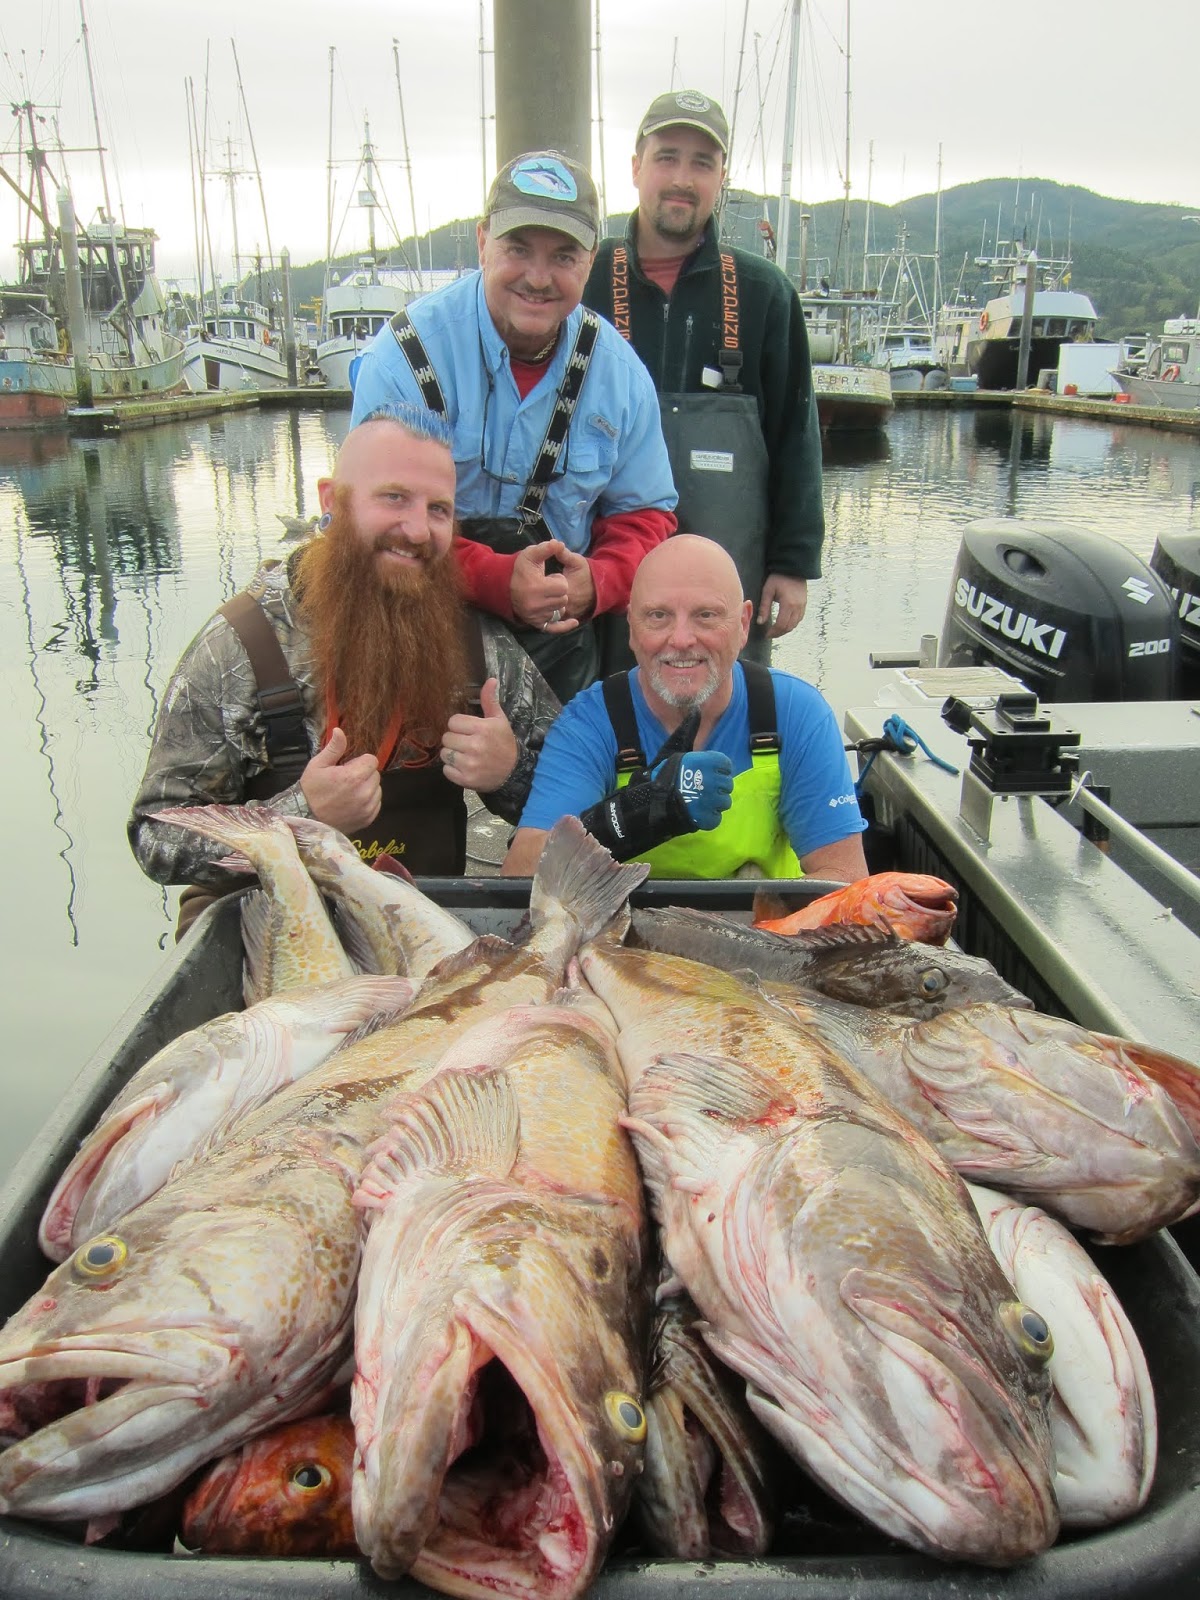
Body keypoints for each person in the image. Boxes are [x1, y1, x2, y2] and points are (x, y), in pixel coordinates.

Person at [129, 404, 559, 923]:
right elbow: (155, 836)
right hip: (272, 940)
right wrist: (299, 817)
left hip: (420, 928)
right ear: (332, 501)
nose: (419, 530)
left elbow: (576, 796)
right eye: (394, 497)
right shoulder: (241, 646)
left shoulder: (479, 645)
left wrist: (509, 775)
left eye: (439, 509)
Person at [349, 149, 678, 702]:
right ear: (482, 242)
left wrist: (596, 583)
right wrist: (496, 582)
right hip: (411, 625)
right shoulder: (403, 359)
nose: (538, 277)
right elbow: (365, 519)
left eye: (564, 256)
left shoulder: (621, 375)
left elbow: (645, 514)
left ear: (591, 260)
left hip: (559, 642)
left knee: (565, 781)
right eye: (518, 249)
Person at [583, 89, 825, 667]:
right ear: (636, 168)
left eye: (702, 163)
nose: (682, 178)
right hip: (604, 582)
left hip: (729, 583)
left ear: (722, 178)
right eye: (667, 157)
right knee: (607, 725)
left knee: (733, 726)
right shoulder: (582, 279)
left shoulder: (766, 293)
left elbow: (797, 437)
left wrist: (792, 565)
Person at [501, 536, 868, 881]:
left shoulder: (795, 713)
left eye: (706, 615)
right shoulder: (591, 723)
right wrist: (634, 815)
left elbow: (844, 881)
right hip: (627, 942)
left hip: (764, 934)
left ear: (742, 624)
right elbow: (521, 879)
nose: (680, 640)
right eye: (658, 616)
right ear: (631, 626)